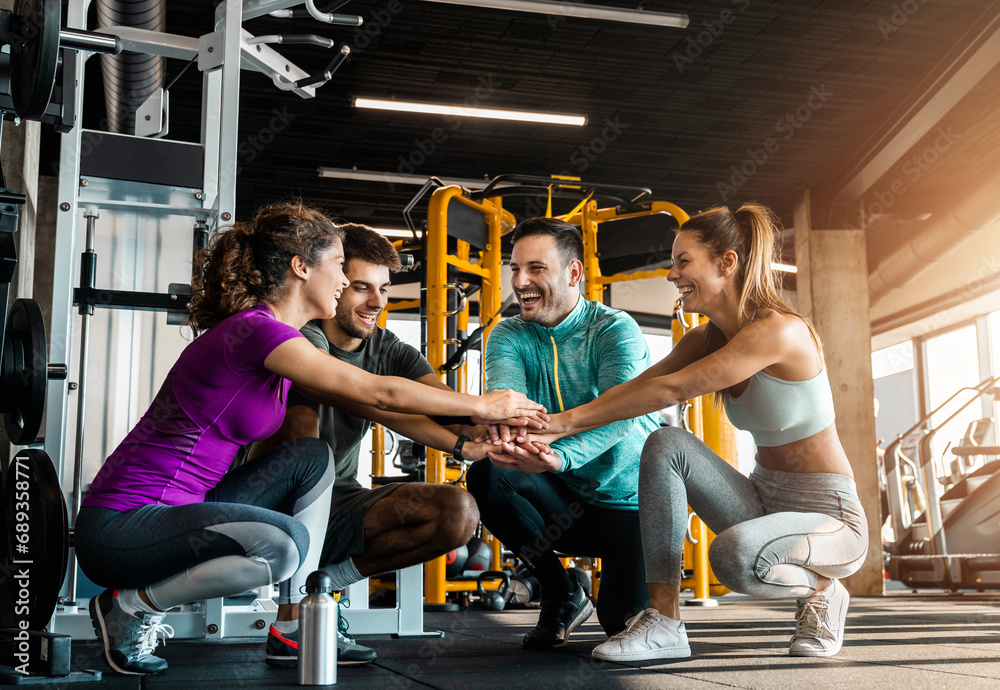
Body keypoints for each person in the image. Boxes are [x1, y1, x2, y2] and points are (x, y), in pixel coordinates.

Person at [74, 201, 546, 676]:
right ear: (301, 267)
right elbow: (377, 393)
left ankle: (302, 615)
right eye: (341, 268)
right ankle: (133, 606)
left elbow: (390, 400)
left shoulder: (281, 337)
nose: (344, 283)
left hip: (186, 507)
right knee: (285, 543)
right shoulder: (258, 333)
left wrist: (478, 438)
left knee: (311, 456)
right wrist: (483, 405)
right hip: (124, 526)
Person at [504, 203, 868, 662]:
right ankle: (666, 621)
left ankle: (824, 589)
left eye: (683, 261)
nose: (671, 274)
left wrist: (558, 426)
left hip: (829, 516)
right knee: (666, 442)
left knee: (732, 556)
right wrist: (552, 432)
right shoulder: (703, 339)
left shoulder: (779, 332)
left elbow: (672, 389)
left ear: (727, 263)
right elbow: (637, 388)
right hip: (759, 499)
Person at [249, 223, 496, 665]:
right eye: (362, 288)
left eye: (383, 289)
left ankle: (326, 585)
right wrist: (466, 427)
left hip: (341, 502)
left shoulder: (388, 349)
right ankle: (292, 622)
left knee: (458, 512)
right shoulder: (301, 335)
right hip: (270, 503)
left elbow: (445, 406)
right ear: (337, 283)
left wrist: (500, 429)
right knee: (304, 426)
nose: (377, 302)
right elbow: (376, 399)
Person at [466, 217, 659, 650]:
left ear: (573, 273)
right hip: (564, 503)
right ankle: (560, 590)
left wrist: (562, 455)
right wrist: (539, 450)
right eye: (515, 268)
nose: (520, 281)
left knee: (623, 630)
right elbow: (514, 412)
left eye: (536, 268)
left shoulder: (614, 329)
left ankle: (611, 598)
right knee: (489, 475)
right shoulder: (509, 334)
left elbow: (621, 413)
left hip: (630, 505)